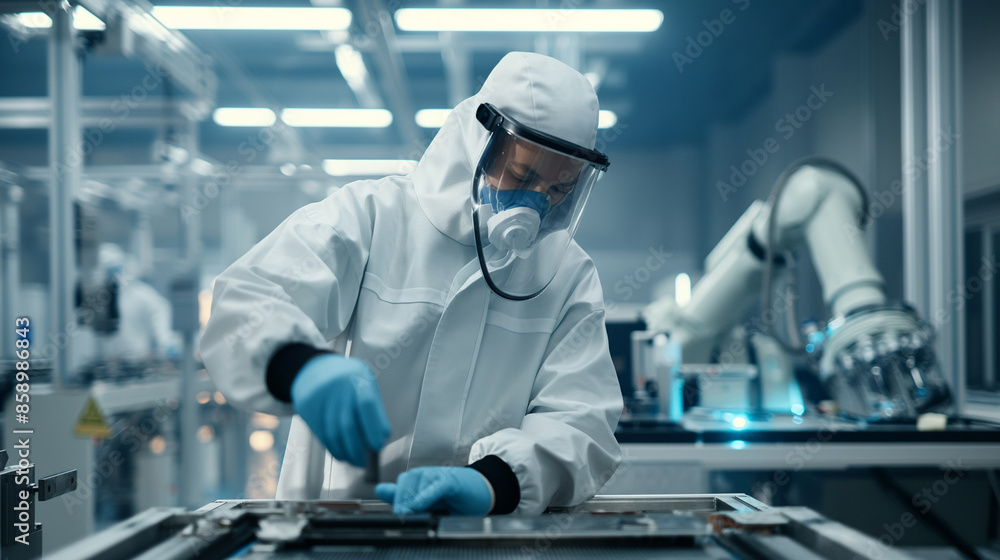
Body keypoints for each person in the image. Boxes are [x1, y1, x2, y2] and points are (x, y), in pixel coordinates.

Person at [200, 52, 623, 516]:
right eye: (523, 175)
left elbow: (582, 421)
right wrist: (300, 366)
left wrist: (493, 482)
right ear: (479, 141)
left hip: (482, 532)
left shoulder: (566, 274)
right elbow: (250, 298)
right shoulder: (370, 216)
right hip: (340, 529)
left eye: (559, 189)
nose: (538, 202)